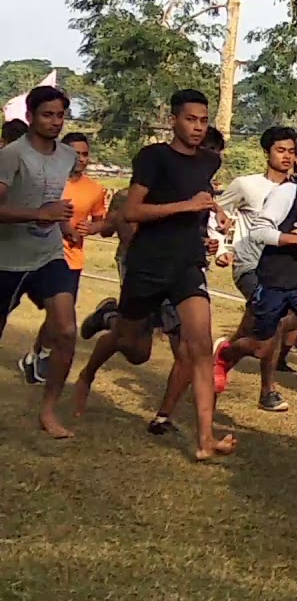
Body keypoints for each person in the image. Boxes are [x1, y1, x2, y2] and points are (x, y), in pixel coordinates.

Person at [94, 90, 235, 459]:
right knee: (133, 346)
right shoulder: (153, 157)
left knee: (201, 346)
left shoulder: (208, 162)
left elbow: (199, 189)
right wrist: (186, 206)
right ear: (174, 119)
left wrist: (216, 211)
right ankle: (92, 359)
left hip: (187, 265)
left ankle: (206, 439)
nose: (197, 127)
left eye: (203, 121)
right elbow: (133, 212)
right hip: (149, 263)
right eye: (191, 119)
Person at [216, 137, 297, 434]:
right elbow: (261, 231)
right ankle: (225, 354)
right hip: (275, 280)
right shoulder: (286, 192)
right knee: (261, 347)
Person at [0, 86, 78, 437]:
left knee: (65, 330)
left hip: (48, 254)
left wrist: (65, 225)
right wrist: (40, 213)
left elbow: (53, 199)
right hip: (7, 257)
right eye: (47, 114)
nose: (55, 121)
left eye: (60, 115)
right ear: (30, 116)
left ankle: (48, 410)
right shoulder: (12, 155)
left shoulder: (66, 155)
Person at [204, 125, 297, 411]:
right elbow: (215, 210)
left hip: (283, 270)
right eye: (281, 151)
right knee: (276, 321)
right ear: (267, 152)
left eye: (292, 151)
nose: (287, 157)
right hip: (250, 266)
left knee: (256, 330)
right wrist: (221, 247)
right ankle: (268, 390)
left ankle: (220, 362)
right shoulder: (247, 185)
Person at [19, 132, 107, 384]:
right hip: (32, 254)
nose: (81, 159)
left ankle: (40, 356)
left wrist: (91, 228)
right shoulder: (47, 180)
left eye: (85, 154)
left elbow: (102, 223)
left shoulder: (95, 189)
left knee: (58, 315)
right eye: (75, 153)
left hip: (70, 260)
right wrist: (63, 226)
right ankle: (38, 357)